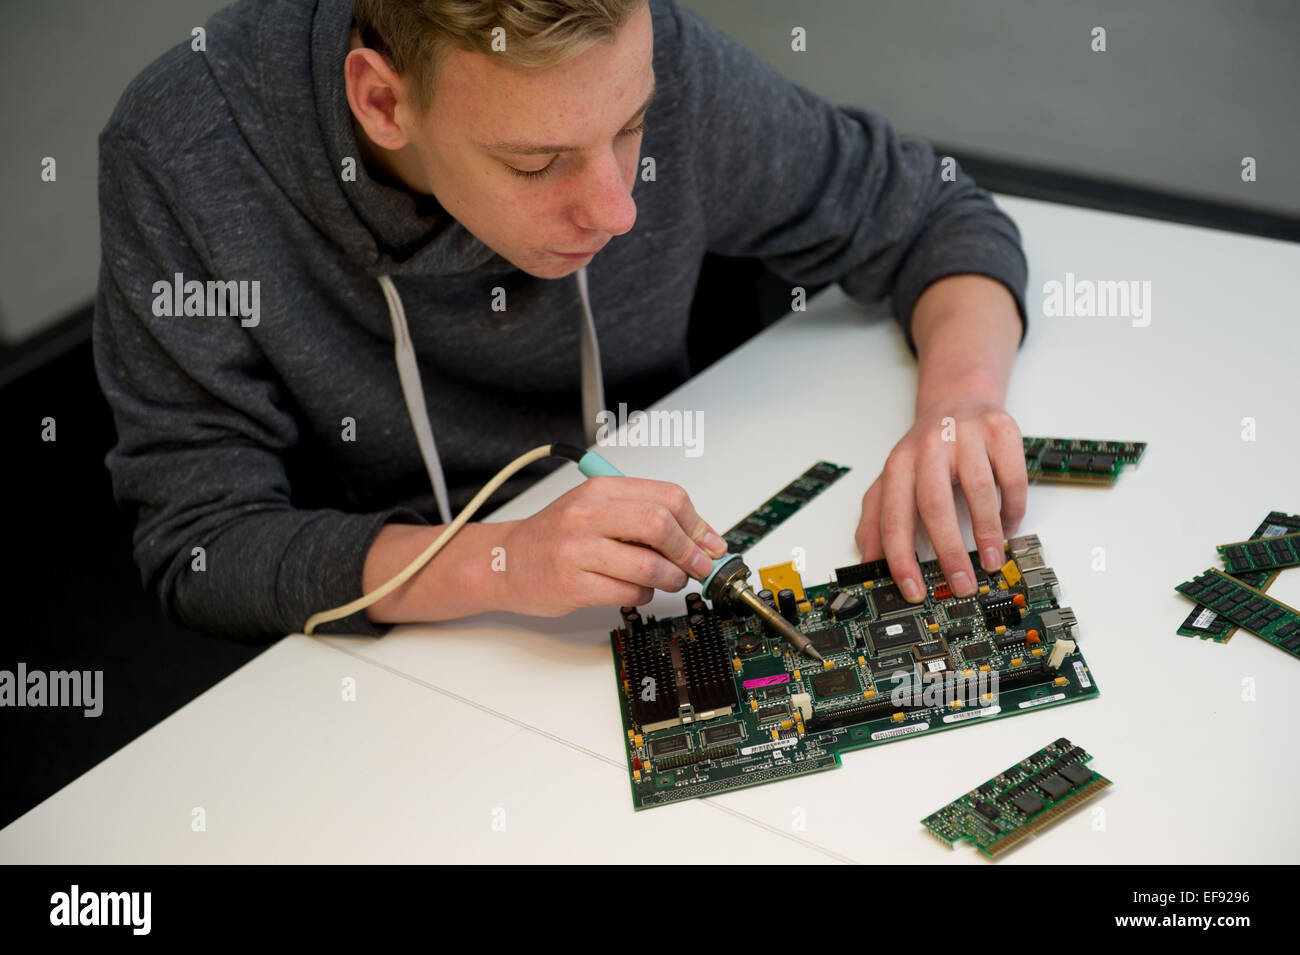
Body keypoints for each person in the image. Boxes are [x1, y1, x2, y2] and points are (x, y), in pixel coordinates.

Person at [93, 0, 1028, 643]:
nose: (618, 210)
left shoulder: (640, 42)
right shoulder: (185, 153)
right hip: (391, 676)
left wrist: (963, 401)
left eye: (631, 127)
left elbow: (935, 215)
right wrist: (498, 561)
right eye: (537, 163)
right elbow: (201, 546)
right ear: (382, 100)